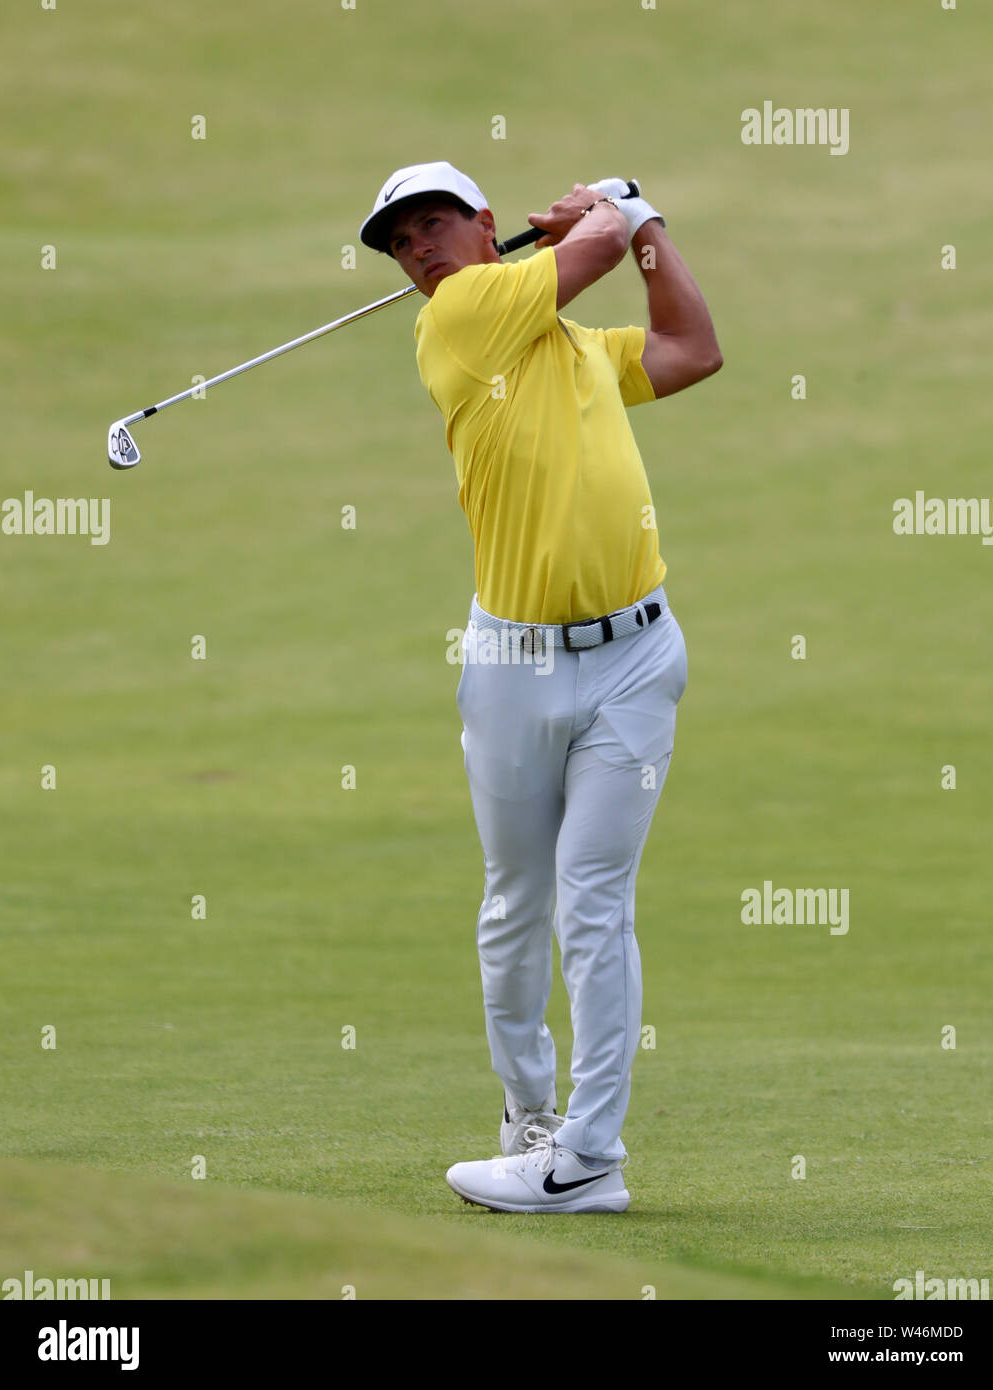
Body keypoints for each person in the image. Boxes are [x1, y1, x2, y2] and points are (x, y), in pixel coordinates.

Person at [359, 161, 722, 1213]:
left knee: (592, 902)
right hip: (512, 661)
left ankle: (586, 1157)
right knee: (516, 901)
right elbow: (598, 248)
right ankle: (529, 1116)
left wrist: (644, 219)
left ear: (484, 224)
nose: (415, 249)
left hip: (635, 657)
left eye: (431, 225)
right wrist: (614, 213)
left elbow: (692, 348)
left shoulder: (571, 348)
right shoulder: (459, 320)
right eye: (398, 242)